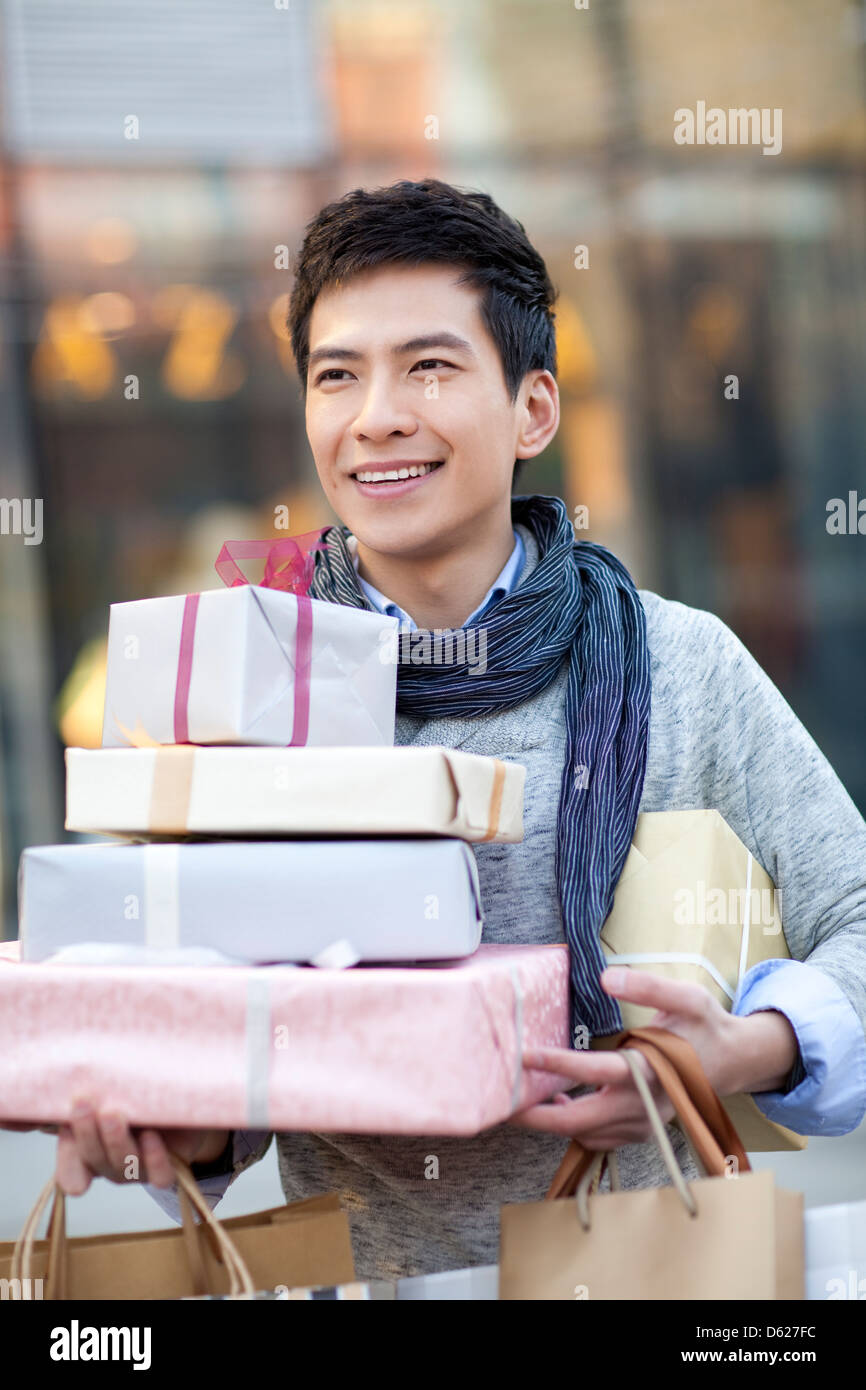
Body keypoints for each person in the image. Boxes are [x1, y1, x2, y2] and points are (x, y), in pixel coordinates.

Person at [47, 179, 866, 1281]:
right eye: (337, 374)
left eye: (427, 366)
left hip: (642, 1277)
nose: (375, 414)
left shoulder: (678, 664)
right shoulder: (248, 696)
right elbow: (233, 1002)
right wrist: (181, 1126)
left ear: (532, 409)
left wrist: (735, 1051)